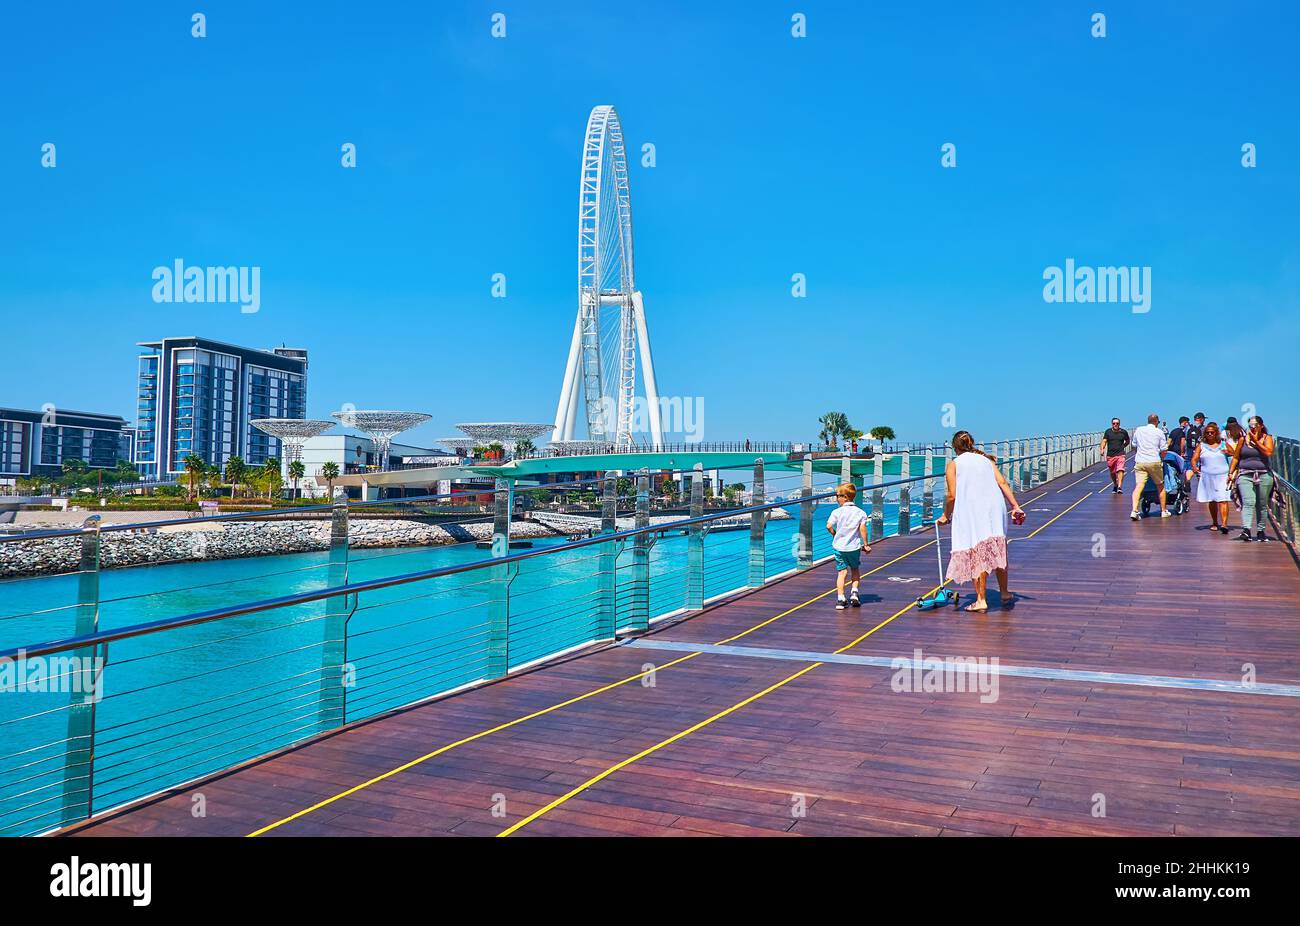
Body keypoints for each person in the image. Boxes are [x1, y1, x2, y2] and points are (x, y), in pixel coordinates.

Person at [937, 431, 1024, 613]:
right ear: (971, 443)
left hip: (973, 508)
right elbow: (1002, 483)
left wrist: (946, 515)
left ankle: (981, 600)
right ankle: (1005, 592)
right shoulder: (986, 460)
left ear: (955, 447)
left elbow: (952, 495)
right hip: (994, 506)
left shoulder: (954, 464)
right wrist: (1015, 506)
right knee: (997, 547)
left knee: (976, 550)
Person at [1229, 415, 1276, 542]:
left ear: (1261, 425)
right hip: (1245, 474)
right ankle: (1246, 530)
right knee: (1248, 502)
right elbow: (1236, 457)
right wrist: (1230, 473)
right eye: (1250, 426)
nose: (1253, 428)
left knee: (1261, 504)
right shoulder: (1243, 440)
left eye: (1255, 425)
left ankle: (1260, 531)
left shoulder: (1268, 438)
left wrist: (1256, 442)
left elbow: (1268, 452)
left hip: (1264, 474)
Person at [826, 482, 871, 609]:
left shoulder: (836, 512)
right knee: (855, 569)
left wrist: (835, 535)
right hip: (854, 547)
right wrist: (866, 544)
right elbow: (862, 529)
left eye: (837, 496)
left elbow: (828, 526)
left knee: (842, 572)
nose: (836, 498)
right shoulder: (861, 513)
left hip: (839, 547)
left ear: (845, 497)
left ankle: (841, 599)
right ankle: (854, 593)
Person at [1190, 421, 1230, 534]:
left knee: (1223, 499)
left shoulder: (1223, 444)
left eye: (1212, 432)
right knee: (1212, 500)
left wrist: (1228, 452)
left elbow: (1234, 454)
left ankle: (1224, 524)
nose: (1210, 434)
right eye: (1208, 433)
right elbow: (1194, 458)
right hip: (1207, 475)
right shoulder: (1201, 446)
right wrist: (1194, 467)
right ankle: (1214, 522)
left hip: (1222, 475)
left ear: (1216, 433)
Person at [1131, 413, 1171, 520]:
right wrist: (1162, 459)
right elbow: (1164, 449)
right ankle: (1163, 511)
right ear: (1157, 422)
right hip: (1154, 461)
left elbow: (1134, 445)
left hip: (1140, 461)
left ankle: (1134, 510)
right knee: (1160, 485)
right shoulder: (1159, 432)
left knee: (1139, 486)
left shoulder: (1138, 430)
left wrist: (1138, 453)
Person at [1100, 417, 1130, 494]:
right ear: (1112, 424)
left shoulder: (1123, 432)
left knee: (1120, 469)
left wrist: (1123, 446)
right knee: (1112, 472)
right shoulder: (1108, 432)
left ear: (1119, 424)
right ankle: (1115, 484)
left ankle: (1119, 487)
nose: (1115, 425)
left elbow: (1128, 440)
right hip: (1110, 455)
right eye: (1114, 423)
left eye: (1117, 423)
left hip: (1120, 454)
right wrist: (1102, 449)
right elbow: (1104, 441)